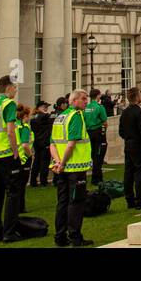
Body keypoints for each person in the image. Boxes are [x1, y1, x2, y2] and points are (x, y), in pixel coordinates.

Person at [51, 89, 94, 247]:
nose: (86, 101)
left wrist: (57, 162)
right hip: (74, 168)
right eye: (83, 98)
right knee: (76, 203)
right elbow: (71, 144)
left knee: (62, 202)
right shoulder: (75, 116)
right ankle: (75, 237)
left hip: (62, 167)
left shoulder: (59, 117)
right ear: (74, 101)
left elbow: (52, 143)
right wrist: (62, 163)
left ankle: (60, 236)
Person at [0, 75, 24, 243]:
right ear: (8, 88)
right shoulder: (9, 105)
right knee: (13, 193)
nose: (15, 90)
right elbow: (10, 131)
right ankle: (9, 232)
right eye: (15, 87)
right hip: (7, 154)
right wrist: (15, 151)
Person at [119, 86, 141, 209]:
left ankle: (129, 199)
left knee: (128, 173)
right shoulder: (139, 112)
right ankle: (140, 201)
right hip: (138, 145)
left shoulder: (125, 112)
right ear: (137, 97)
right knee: (139, 173)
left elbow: (121, 131)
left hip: (128, 144)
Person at [84, 88, 109, 183]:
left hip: (88, 132)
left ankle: (96, 176)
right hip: (98, 132)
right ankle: (97, 177)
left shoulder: (86, 107)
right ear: (98, 95)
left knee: (93, 154)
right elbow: (105, 122)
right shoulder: (99, 107)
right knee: (99, 155)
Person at [29, 101, 54, 186]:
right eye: (44, 107)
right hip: (45, 142)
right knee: (44, 162)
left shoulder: (33, 117)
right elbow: (52, 118)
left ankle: (33, 181)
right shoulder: (45, 116)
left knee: (36, 161)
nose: (46, 108)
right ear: (39, 107)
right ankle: (43, 181)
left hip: (37, 142)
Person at [15, 104, 34, 213]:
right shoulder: (25, 127)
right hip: (24, 158)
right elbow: (25, 145)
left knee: (15, 185)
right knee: (22, 186)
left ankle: (16, 206)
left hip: (15, 158)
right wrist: (31, 155)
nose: (29, 118)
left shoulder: (14, 126)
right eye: (28, 116)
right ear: (24, 116)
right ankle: (21, 207)